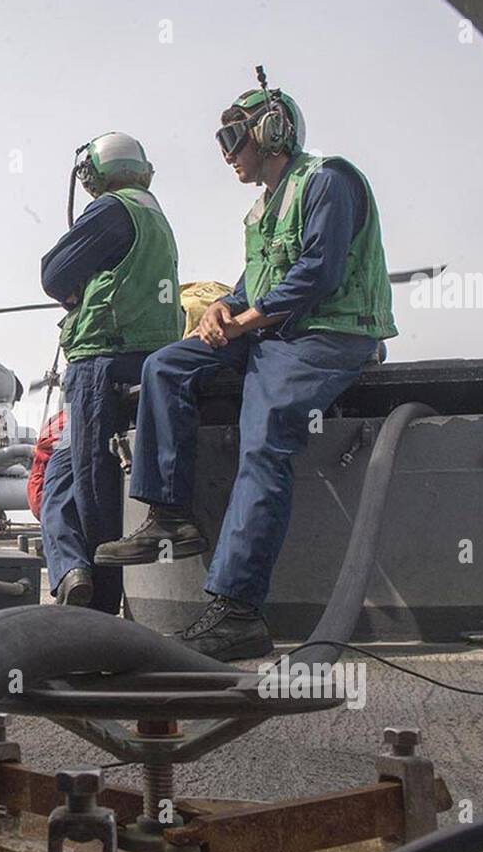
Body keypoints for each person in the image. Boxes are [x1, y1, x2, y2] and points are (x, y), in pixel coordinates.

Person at [94, 73, 397, 660]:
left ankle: (237, 612)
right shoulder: (263, 209)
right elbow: (253, 280)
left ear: (273, 132)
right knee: (165, 367)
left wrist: (247, 318)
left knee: (265, 443)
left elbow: (318, 272)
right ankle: (170, 514)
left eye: (236, 138)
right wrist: (226, 307)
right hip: (270, 326)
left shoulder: (327, 180)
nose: (229, 154)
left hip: (328, 335)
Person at [39, 132, 182, 610]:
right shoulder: (153, 212)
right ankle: (71, 569)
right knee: (62, 470)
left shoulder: (112, 209)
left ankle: (99, 611)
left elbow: (53, 273)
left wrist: (76, 291)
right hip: (144, 358)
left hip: (103, 357)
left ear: (92, 175)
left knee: (96, 488)